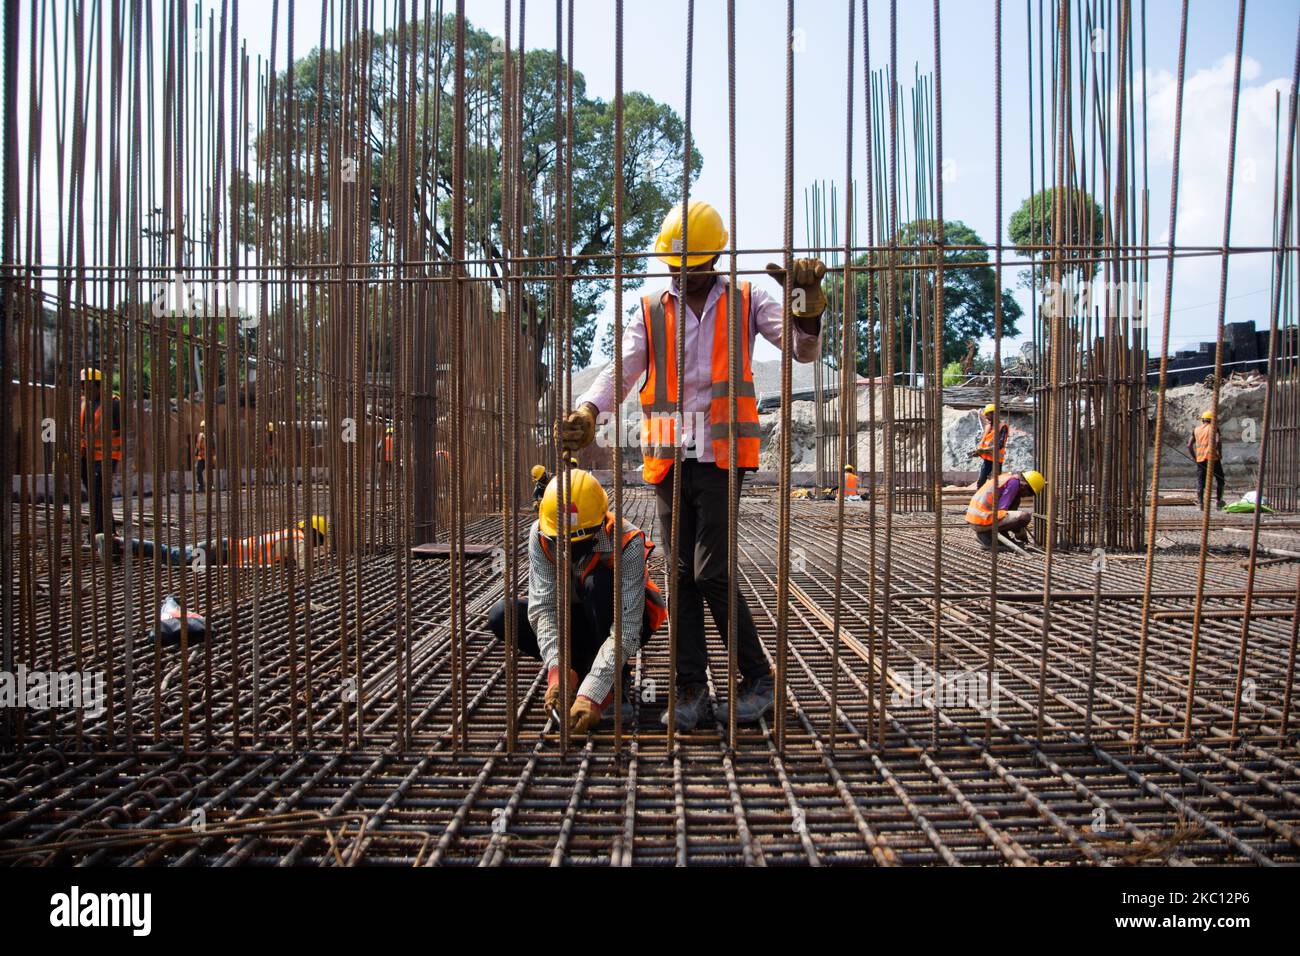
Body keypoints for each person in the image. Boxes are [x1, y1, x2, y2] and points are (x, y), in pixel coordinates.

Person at [560, 199, 826, 731]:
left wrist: (807, 304)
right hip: (669, 458)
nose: (681, 275)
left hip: (725, 457)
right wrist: (590, 408)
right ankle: (689, 689)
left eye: (692, 266)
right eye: (674, 267)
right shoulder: (652, 308)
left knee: (712, 571)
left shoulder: (748, 300)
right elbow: (624, 368)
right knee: (681, 575)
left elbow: (803, 352)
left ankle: (759, 679)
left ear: (714, 259)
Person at [487, 469, 667, 734]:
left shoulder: (627, 540)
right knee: (503, 615)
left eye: (578, 543)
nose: (568, 550)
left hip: (619, 622)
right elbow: (544, 607)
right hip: (571, 622)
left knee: (599, 584)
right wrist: (557, 669)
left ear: (596, 527)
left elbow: (627, 630)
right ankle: (575, 670)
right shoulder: (541, 533)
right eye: (560, 541)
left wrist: (593, 693)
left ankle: (612, 684)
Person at [109, 514, 330, 570]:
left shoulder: (290, 534)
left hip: (225, 548)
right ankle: (122, 544)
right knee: (176, 556)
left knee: (177, 555)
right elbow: (303, 565)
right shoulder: (297, 540)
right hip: (224, 551)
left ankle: (122, 547)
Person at [78, 367, 122, 545]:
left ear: (98, 386)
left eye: (87, 386)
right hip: (86, 457)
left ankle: (95, 534)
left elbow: (125, 430)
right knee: (97, 495)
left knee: (98, 494)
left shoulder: (113, 404)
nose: (83, 390)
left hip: (106, 457)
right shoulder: (84, 403)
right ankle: (109, 530)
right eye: (82, 386)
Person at [965, 469, 1045, 550]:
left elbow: (1002, 516)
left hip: (976, 519)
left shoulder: (1007, 478)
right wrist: (1019, 530)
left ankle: (989, 537)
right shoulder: (1014, 483)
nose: (1025, 496)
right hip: (982, 520)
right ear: (1025, 486)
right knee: (1025, 517)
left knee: (1015, 503)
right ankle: (987, 537)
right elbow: (1002, 512)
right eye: (1029, 493)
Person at [1187, 410, 1225, 511]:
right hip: (1213, 459)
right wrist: (1219, 453)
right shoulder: (1214, 428)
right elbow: (1218, 441)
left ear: (1203, 420)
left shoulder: (1196, 430)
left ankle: (1200, 504)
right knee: (1220, 480)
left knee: (1201, 482)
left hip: (1200, 459)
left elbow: (1189, 445)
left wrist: (1195, 458)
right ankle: (1219, 502)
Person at [968, 403, 1009, 488]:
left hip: (997, 460)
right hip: (987, 460)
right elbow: (985, 442)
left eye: (988, 414)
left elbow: (1000, 445)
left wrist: (984, 450)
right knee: (981, 482)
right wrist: (978, 451)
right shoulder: (988, 427)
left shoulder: (1002, 427)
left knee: (996, 484)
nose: (986, 417)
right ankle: (980, 499)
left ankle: (996, 500)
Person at [195, 419, 208, 491]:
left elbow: (214, 446)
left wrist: (214, 456)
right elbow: (197, 445)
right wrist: (196, 454)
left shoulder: (211, 435)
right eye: (202, 427)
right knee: (198, 470)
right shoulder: (200, 435)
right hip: (201, 457)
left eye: (204, 427)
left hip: (208, 457)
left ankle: (210, 485)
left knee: (208, 472)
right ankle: (201, 485)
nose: (203, 428)